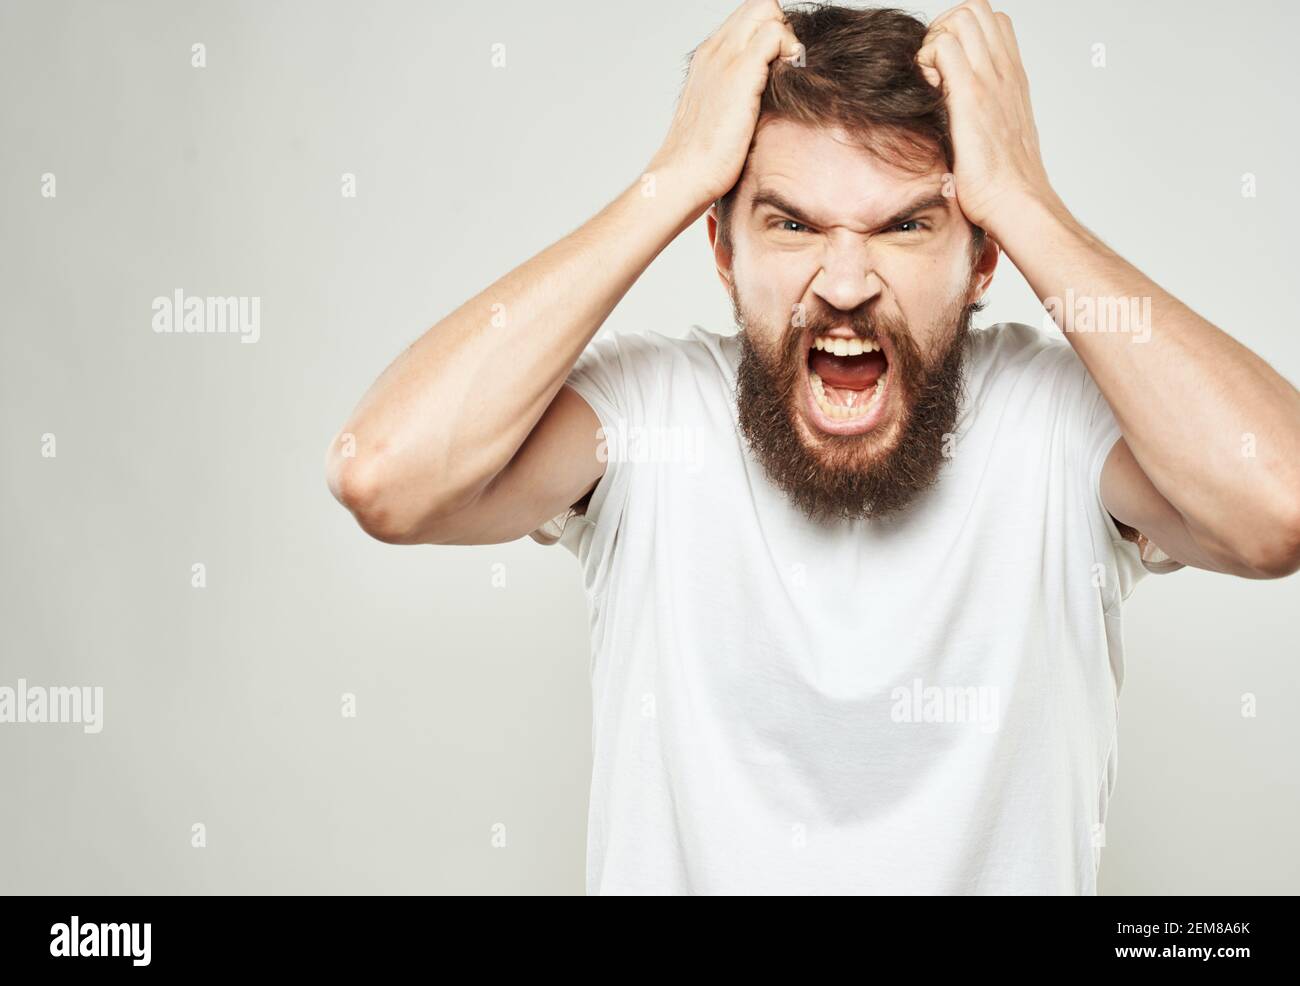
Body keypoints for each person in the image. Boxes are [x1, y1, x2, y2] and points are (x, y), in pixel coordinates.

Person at [325, 0, 1300, 893]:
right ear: (719, 248)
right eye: (789, 222)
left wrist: (1026, 199)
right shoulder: (650, 416)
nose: (842, 281)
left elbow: (1277, 507)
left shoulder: (1057, 425)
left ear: (983, 258)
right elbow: (384, 474)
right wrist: (671, 177)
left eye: (907, 224)